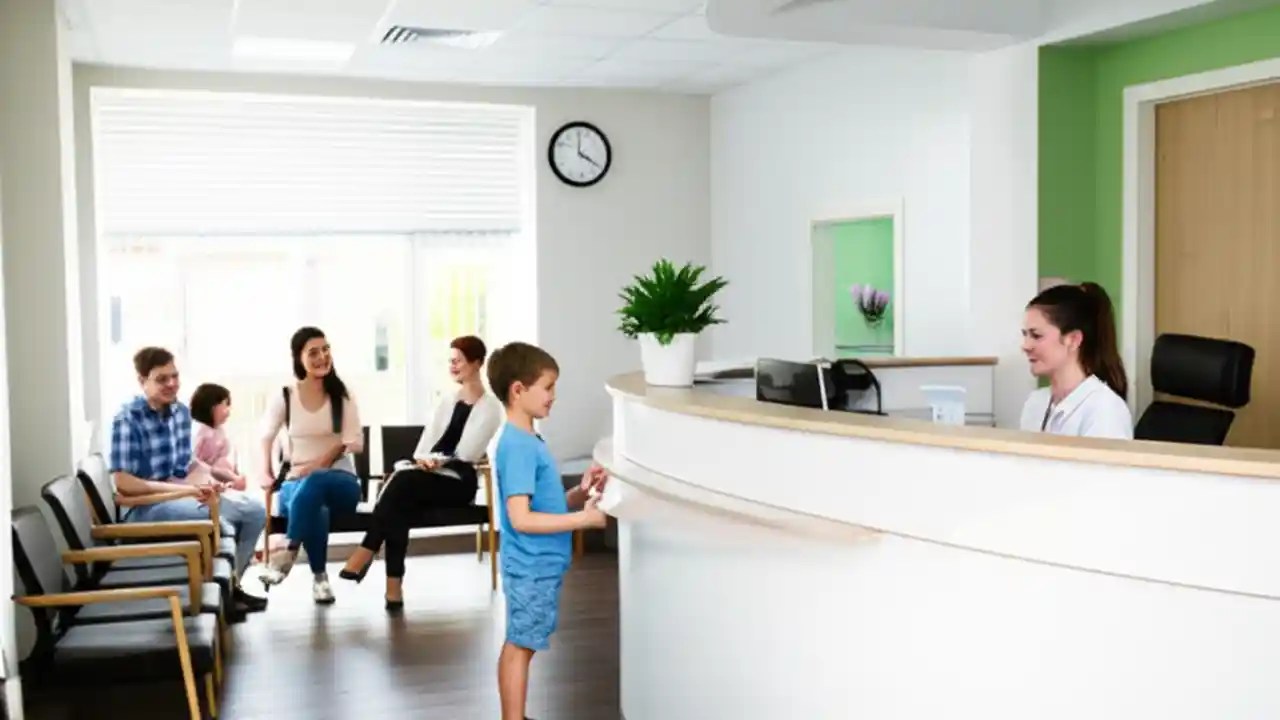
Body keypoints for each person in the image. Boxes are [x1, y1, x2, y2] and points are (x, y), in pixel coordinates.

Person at [485, 341, 609, 720]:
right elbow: (521, 518)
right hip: (531, 567)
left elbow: (546, 505)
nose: (554, 396)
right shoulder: (519, 446)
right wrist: (583, 521)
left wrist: (580, 493)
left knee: (523, 641)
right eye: (548, 386)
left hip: (539, 567)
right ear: (518, 390)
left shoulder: (529, 441)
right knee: (521, 644)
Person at [339, 335, 504, 611]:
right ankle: (393, 589)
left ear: (477, 363)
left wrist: (438, 463)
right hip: (426, 476)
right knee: (398, 502)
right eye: (450, 361)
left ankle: (367, 551)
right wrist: (425, 460)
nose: (452, 366)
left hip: (458, 482)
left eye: (458, 361)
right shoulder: (447, 400)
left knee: (401, 484)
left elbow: (468, 453)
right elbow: (425, 444)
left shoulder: (491, 407)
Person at [110, 347, 268, 613]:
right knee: (222, 522)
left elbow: (188, 464)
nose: (172, 384)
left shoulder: (180, 413)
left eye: (175, 376)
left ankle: (228, 589)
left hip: (179, 494)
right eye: (162, 379)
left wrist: (210, 482)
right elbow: (124, 483)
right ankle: (216, 597)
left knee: (254, 511)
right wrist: (183, 491)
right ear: (142, 381)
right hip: (143, 508)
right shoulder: (127, 420)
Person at [257, 326, 365, 605]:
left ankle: (288, 552)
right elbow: (265, 436)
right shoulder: (285, 395)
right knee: (315, 502)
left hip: (341, 480)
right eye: (313, 352)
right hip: (296, 483)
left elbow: (353, 442)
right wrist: (265, 471)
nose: (322, 357)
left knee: (317, 480)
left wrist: (318, 464)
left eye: (326, 350)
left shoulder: (343, 395)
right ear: (299, 358)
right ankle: (320, 579)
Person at [1019, 282, 1133, 439]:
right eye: (1024, 334)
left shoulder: (1105, 410)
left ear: (1073, 340)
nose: (1025, 346)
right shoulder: (1035, 403)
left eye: (1036, 335)